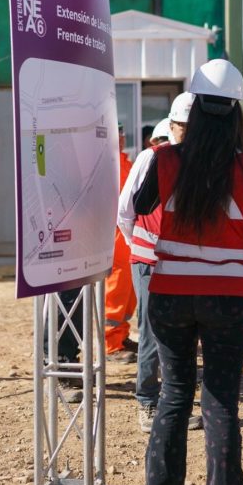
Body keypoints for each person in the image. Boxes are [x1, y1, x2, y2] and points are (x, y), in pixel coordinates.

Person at [134, 59, 243, 485]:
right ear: (236, 113)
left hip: (171, 295)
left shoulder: (165, 159)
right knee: (220, 404)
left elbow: (140, 205)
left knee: (174, 395)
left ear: (192, 110)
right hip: (230, 299)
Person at [119, 94, 203, 432]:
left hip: (183, 262)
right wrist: (139, 247)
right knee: (152, 333)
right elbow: (125, 210)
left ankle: (175, 402)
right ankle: (147, 400)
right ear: (171, 125)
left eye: (191, 126)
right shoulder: (150, 157)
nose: (185, 132)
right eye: (181, 125)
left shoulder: (199, 161)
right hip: (149, 261)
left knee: (184, 333)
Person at [105, 123, 138, 363]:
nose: (122, 138)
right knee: (116, 290)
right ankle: (111, 344)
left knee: (128, 291)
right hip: (115, 236)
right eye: (117, 134)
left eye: (122, 134)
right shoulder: (106, 164)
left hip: (128, 236)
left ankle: (121, 335)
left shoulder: (125, 162)